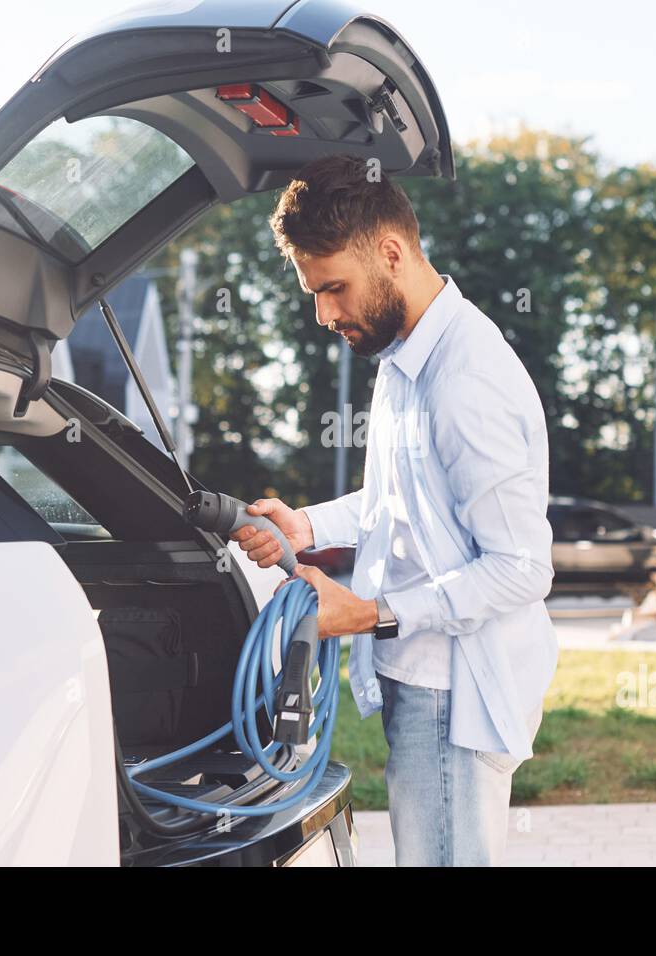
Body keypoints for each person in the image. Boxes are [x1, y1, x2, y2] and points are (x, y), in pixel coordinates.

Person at [229, 153, 558, 866]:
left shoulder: (467, 378)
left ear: (390, 252)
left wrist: (374, 613)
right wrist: (307, 526)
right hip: (423, 683)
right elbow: (394, 503)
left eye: (335, 288)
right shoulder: (405, 357)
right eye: (315, 293)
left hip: (456, 699)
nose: (323, 314)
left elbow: (522, 568)